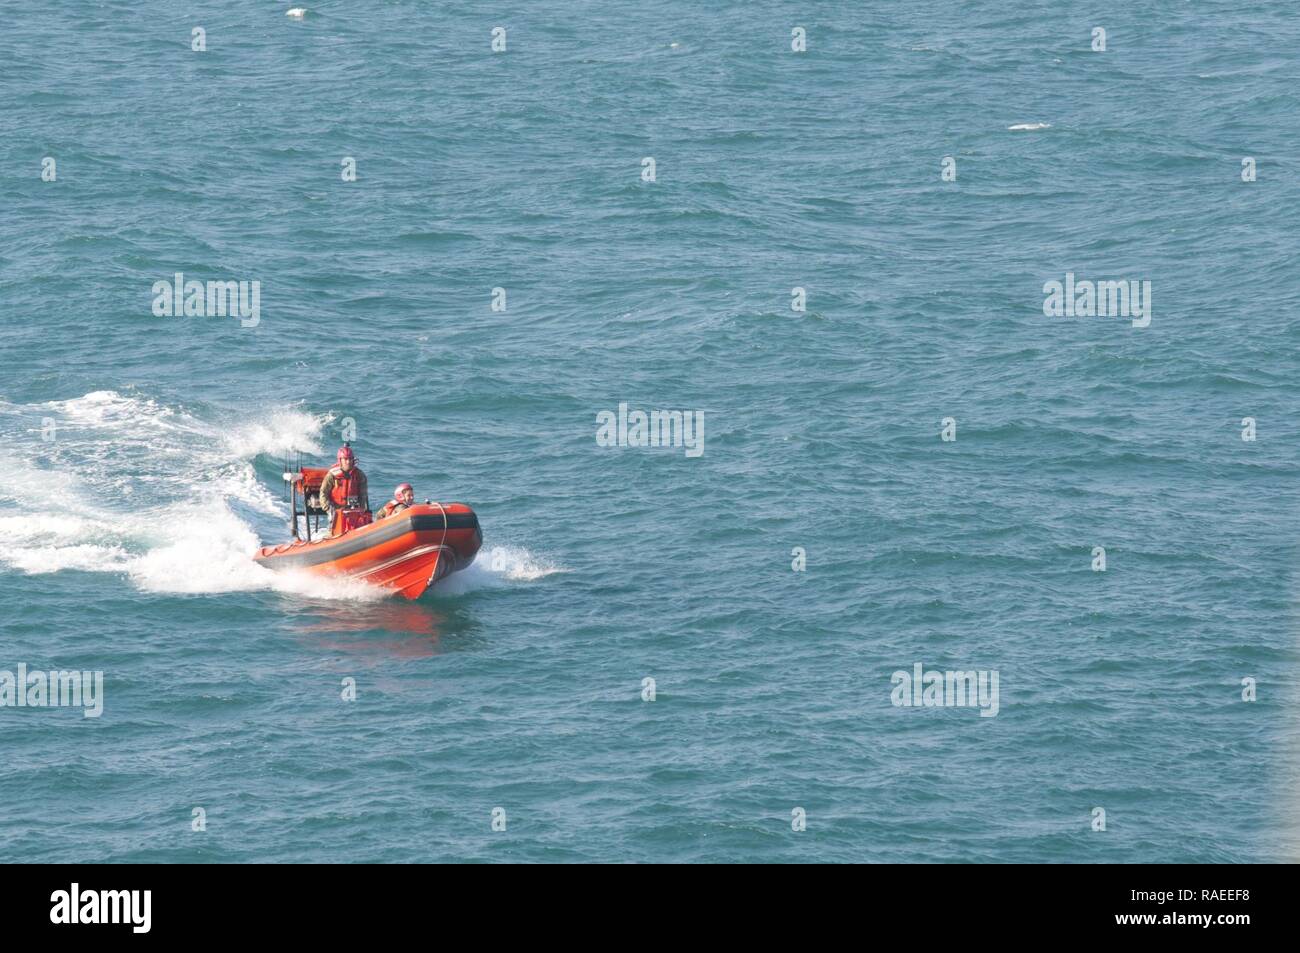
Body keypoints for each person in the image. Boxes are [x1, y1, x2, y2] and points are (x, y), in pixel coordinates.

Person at [317, 444, 369, 536]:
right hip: (336, 510)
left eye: (350, 459)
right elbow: (323, 493)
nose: (348, 462)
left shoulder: (359, 475)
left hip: (353, 509)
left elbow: (363, 495)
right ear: (340, 460)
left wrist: (361, 510)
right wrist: (328, 508)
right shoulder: (332, 475)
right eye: (345, 459)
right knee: (335, 531)